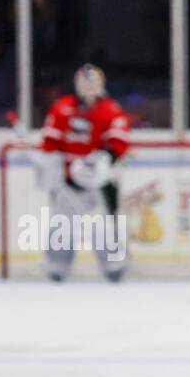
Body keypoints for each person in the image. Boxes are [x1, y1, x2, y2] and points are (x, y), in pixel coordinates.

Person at [38, 64, 131, 282]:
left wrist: (105, 159)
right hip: (68, 179)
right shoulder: (62, 107)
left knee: (103, 226)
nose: (89, 88)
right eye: (84, 83)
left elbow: (119, 142)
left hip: (99, 181)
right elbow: (50, 142)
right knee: (62, 224)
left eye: (93, 83)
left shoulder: (110, 110)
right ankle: (57, 266)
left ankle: (113, 265)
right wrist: (52, 164)